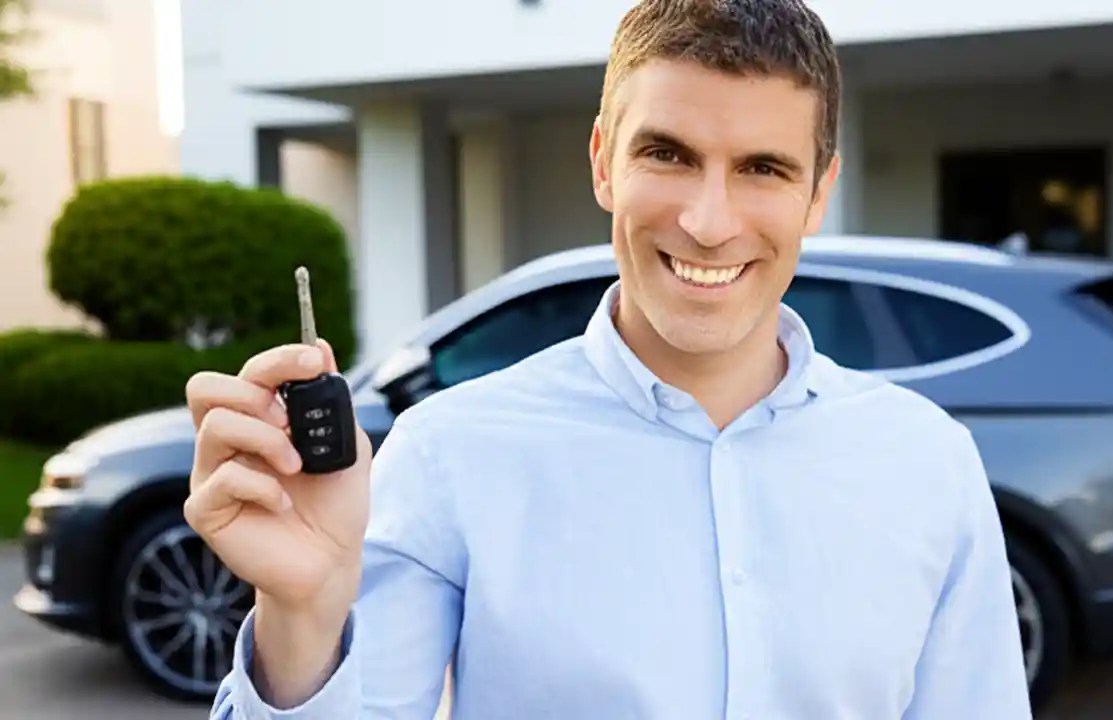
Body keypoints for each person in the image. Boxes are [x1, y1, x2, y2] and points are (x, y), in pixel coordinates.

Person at [185, 1, 1033, 717]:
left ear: (818, 194)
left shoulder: (929, 463)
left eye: (763, 169)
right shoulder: (451, 453)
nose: (708, 222)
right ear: (603, 162)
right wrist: (301, 617)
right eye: (668, 154)